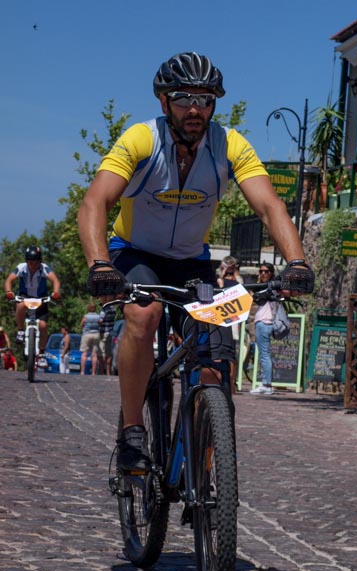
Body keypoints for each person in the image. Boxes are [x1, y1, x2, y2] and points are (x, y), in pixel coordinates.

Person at [78, 51, 313, 472]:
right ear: (164, 101)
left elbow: (269, 207)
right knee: (144, 315)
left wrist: (296, 262)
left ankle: (206, 464)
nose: (195, 109)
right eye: (184, 98)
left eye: (205, 100)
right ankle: (132, 431)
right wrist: (100, 265)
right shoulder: (141, 139)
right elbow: (95, 202)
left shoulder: (229, 145)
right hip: (135, 252)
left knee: (215, 358)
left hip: (192, 262)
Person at [4, 246, 61, 364]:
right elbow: (9, 280)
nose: (33, 265)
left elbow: (55, 280)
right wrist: (9, 292)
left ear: (40, 261)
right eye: (31, 262)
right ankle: (20, 330)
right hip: (25, 296)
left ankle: (42, 353)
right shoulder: (21, 268)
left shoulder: (44, 268)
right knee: (20, 305)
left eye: (36, 262)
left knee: (43, 326)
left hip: (41, 298)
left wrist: (55, 292)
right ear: (27, 261)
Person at [250, 261, 279, 396]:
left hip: (264, 322)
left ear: (271, 273)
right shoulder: (266, 287)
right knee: (263, 354)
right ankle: (266, 383)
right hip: (263, 322)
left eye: (266, 271)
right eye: (261, 271)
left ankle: (267, 384)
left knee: (264, 355)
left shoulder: (270, 287)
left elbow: (256, 297)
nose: (263, 274)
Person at [80, 301, 101, 375]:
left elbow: (81, 325)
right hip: (96, 334)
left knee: (84, 353)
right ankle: (93, 372)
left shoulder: (86, 316)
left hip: (87, 334)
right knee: (94, 354)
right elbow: (100, 324)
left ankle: (82, 371)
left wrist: (83, 329)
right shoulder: (98, 316)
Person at [98, 305, 117, 375]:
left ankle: (101, 371)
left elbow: (100, 321)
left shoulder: (104, 310)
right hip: (110, 332)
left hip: (103, 332)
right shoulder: (113, 310)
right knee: (108, 353)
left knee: (101, 353)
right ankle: (108, 371)